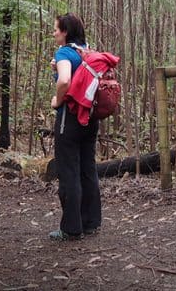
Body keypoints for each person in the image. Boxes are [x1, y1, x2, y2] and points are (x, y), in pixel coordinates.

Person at [48, 13, 101, 241]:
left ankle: (71, 228)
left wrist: (57, 101)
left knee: (68, 170)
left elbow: (64, 81)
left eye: (56, 29)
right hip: (90, 118)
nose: (54, 32)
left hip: (69, 118)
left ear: (65, 32)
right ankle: (90, 223)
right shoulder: (86, 52)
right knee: (87, 168)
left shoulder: (64, 52)